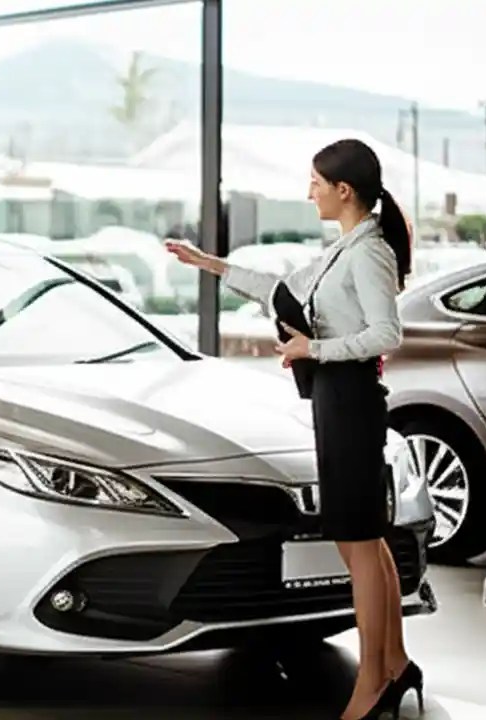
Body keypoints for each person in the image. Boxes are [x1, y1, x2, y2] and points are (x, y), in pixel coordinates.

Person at [165, 138, 418, 720]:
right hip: (338, 399)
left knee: (357, 546)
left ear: (343, 190)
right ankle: (397, 664)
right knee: (369, 541)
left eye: (315, 183)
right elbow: (280, 288)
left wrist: (316, 348)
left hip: (351, 402)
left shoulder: (368, 253)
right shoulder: (345, 248)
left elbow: (388, 334)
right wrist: (210, 264)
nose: (309, 193)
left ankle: (374, 681)